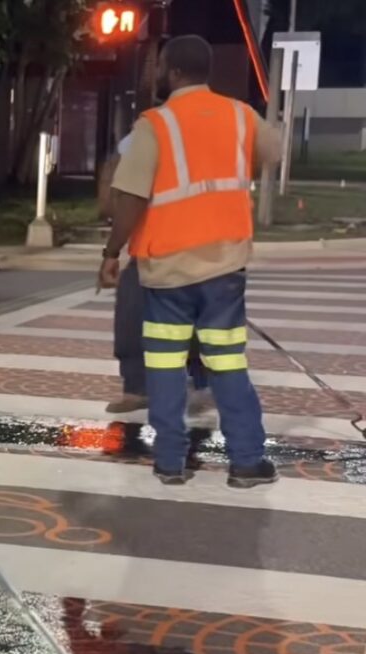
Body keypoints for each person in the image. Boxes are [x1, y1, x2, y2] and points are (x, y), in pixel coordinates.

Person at [99, 35, 281, 488]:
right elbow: (274, 152)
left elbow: (130, 198)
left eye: (159, 65)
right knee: (226, 364)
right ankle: (245, 462)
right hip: (223, 268)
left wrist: (111, 251)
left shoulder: (155, 125)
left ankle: (170, 463)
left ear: (173, 71)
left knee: (163, 367)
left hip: (166, 273)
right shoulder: (241, 116)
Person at [103, 132, 211, 415]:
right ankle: (138, 388)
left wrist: (111, 252)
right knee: (132, 314)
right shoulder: (139, 143)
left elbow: (126, 201)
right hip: (150, 252)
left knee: (187, 317)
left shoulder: (164, 147)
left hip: (186, 249)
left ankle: (199, 383)